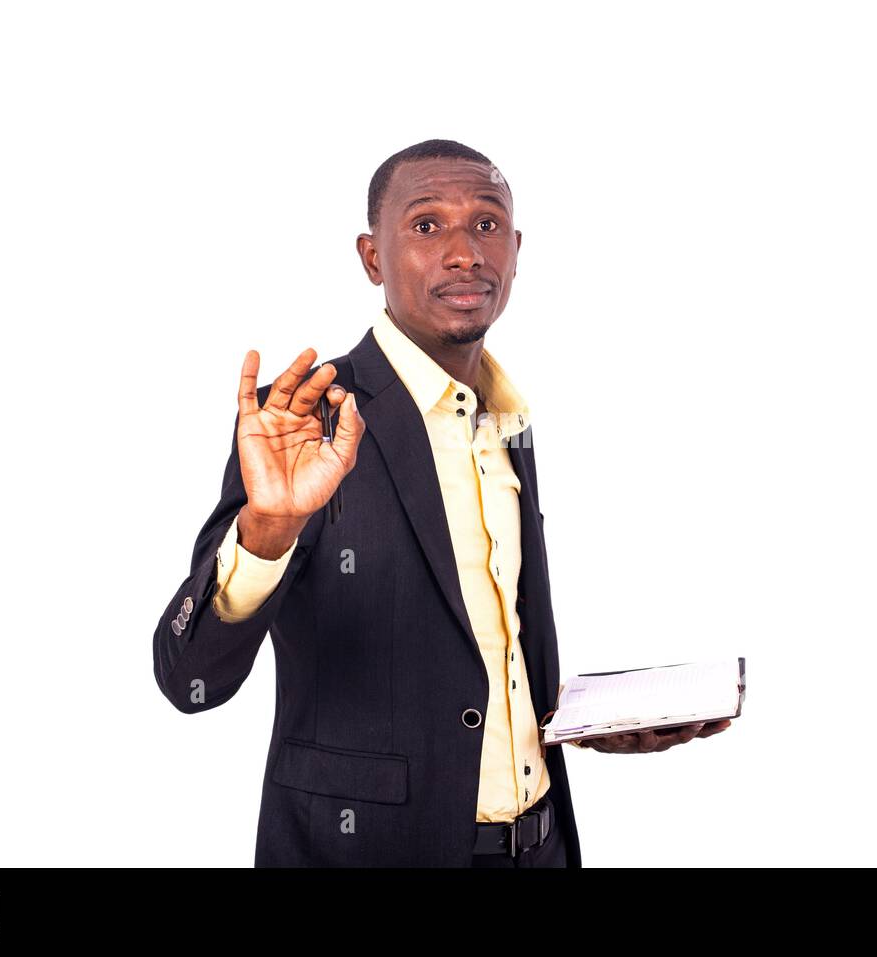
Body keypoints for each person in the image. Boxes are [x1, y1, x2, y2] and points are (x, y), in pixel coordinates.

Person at [152, 139, 730, 867]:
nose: (464, 251)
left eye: (486, 225)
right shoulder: (306, 419)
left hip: (540, 845)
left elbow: (475, 652)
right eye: (427, 225)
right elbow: (188, 677)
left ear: (516, 250)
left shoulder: (501, 414)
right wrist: (269, 527)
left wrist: (572, 719)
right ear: (371, 258)